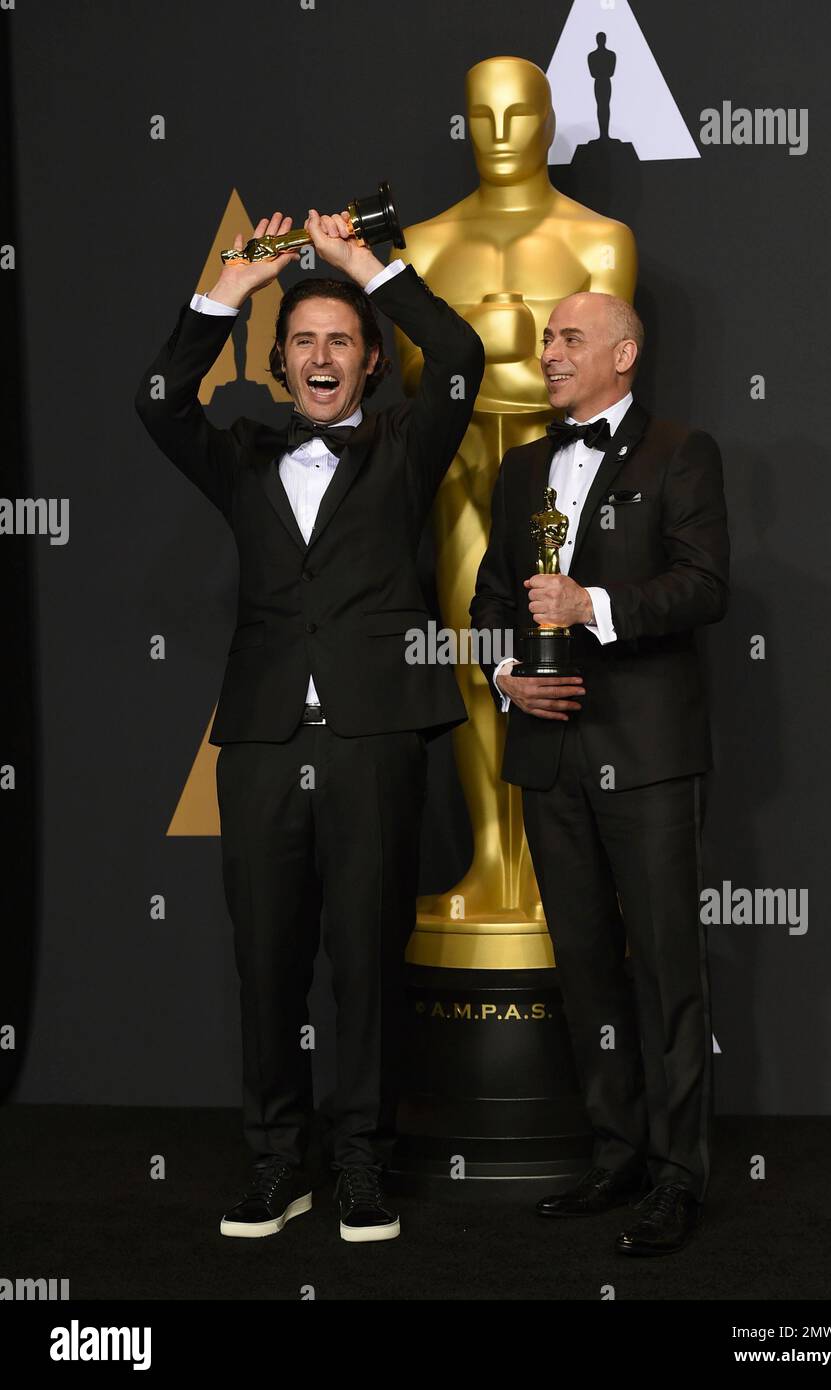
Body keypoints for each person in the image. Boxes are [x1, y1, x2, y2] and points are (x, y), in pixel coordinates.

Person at [135, 207, 484, 1243]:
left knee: (367, 960)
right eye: (303, 342)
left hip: (375, 736)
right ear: (280, 364)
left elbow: (459, 354)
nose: (321, 355)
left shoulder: (407, 448)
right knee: (267, 958)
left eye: (339, 340)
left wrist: (364, 269)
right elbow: (158, 401)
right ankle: (276, 1164)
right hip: (262, 741)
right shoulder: (241, 455)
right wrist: (224, 299)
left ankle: (362, 1166)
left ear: (371, 362)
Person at [471, 291, 729, 1255]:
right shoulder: (522, 466)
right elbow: (490, 593)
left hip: (647, 753)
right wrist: (505, 678)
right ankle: (616, 1154)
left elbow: (705, 585)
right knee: (583, 965)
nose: (548, 352)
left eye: (569, 338)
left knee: (666, 969)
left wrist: (594, 605)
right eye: (545, 338)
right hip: (548, 751)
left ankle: (678, 1175)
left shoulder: (680, 451)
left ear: (624, 354)